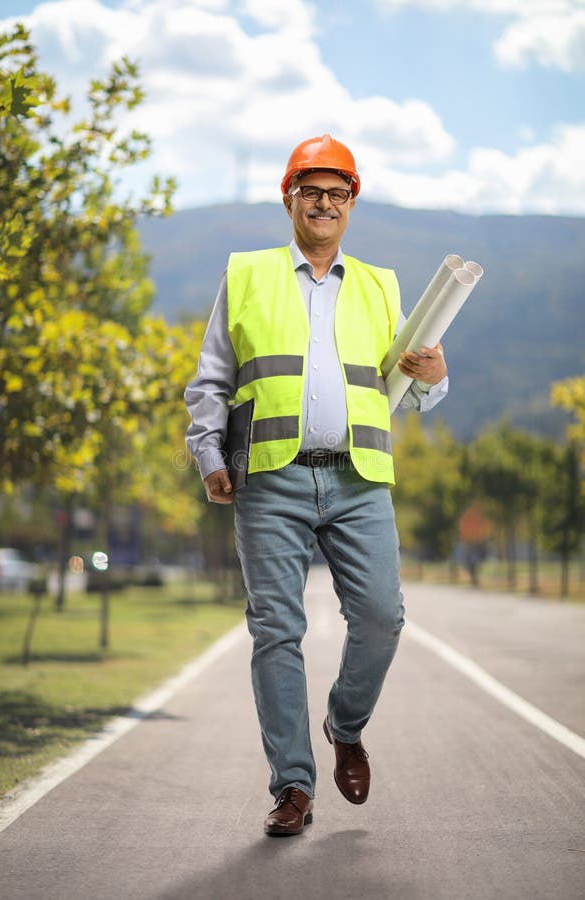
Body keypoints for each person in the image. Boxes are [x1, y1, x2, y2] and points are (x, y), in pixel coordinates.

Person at [185, 134, 448, 836]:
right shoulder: (245, 274)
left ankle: (345, 724)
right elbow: (211, 378)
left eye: (337, 193)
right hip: (270, 479)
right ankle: (293, 788)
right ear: (290, 198)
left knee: (383, 617)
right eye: (312, 191)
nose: (325, 204)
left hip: (359, 479)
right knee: (277, 631)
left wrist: (434, 376)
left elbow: (407, 389)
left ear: (351, 203)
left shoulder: (380, 285)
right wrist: (209, 452)